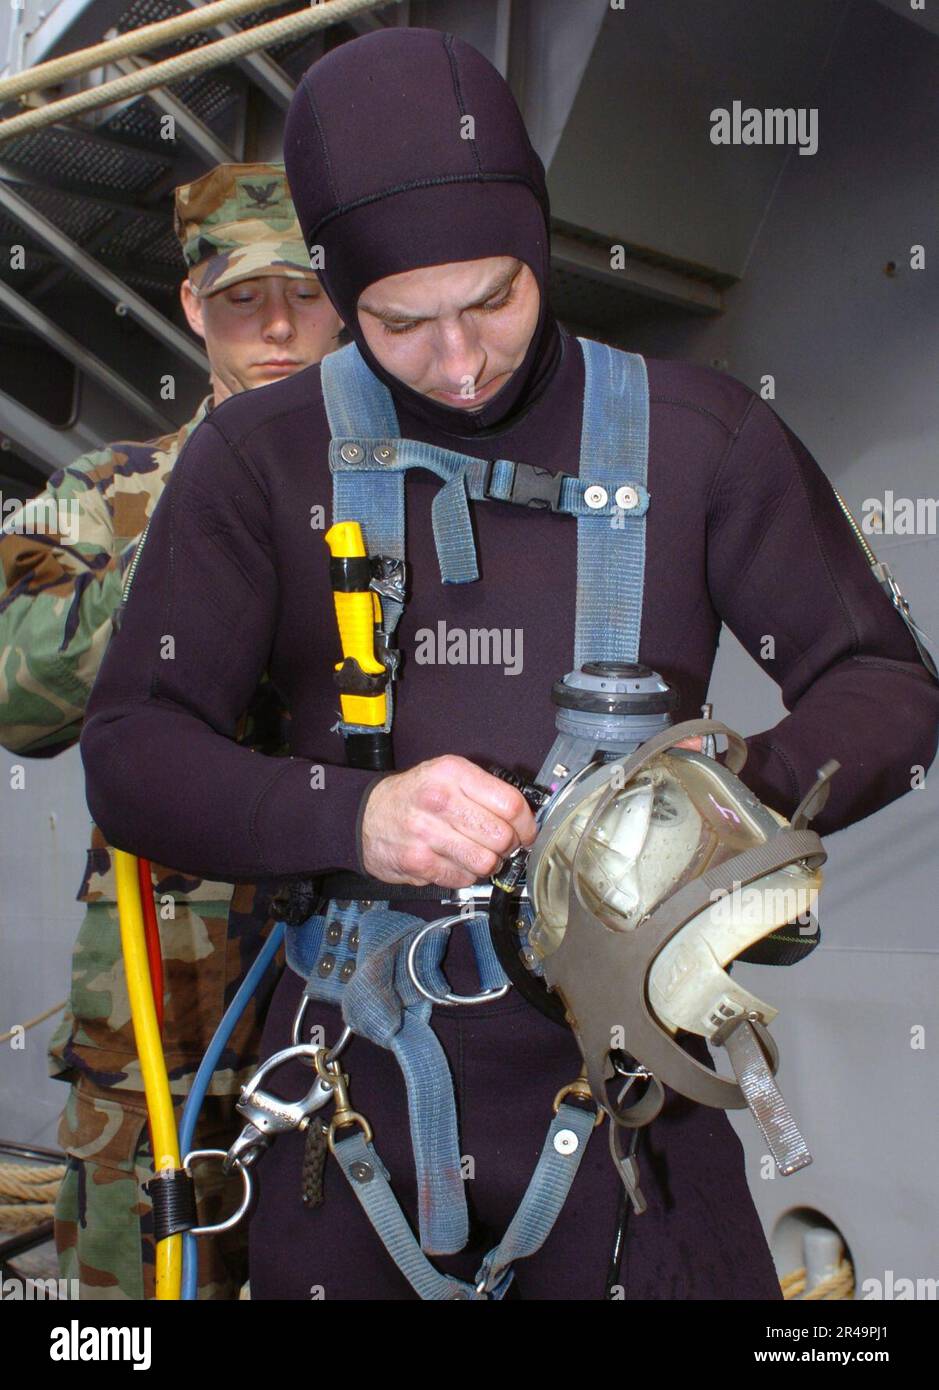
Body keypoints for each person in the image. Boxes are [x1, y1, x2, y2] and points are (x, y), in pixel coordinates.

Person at [79, 30, 939, 1300]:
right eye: (399, 324)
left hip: (640, 1108)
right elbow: (132, 754)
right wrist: (356, 816)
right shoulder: (258, 461)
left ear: (542, 242)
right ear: (337, 289)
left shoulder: (706, 438)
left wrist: (721, 793)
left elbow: (888, 687)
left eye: (495, 297)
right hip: (347, 1105)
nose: (463, 360)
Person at [0, 161, 344, 1300]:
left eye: (306, 291)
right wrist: (210, 501)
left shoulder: (411, 486)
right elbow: (21, 694)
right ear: (195, 307)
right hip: (161, 1016)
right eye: (245, 299)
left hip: (358, 1004)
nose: (281, 327)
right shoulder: (107, 491)